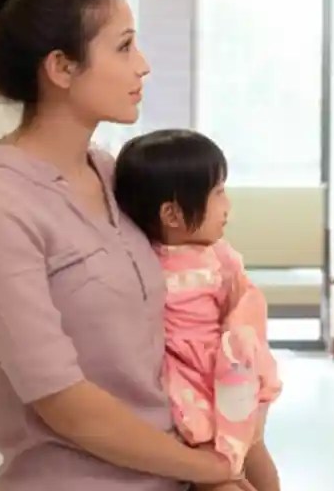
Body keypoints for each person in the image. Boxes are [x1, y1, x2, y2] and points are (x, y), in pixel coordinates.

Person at [0, 0, 252, 490]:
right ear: (61, 67)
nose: (144, 65)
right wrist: (214, 470)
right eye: (124, 47)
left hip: (175, 474)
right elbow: (66, 404)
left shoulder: (112, 174)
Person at [114, 129, 282, 491]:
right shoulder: (146, 264)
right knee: (216, 470)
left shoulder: (220, 254)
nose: (228, 205)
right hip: (188, 381)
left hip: (228, 368)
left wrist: (239, 335)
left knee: (252, 450)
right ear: (172, 214)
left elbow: (244, 299)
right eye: (218, 192)